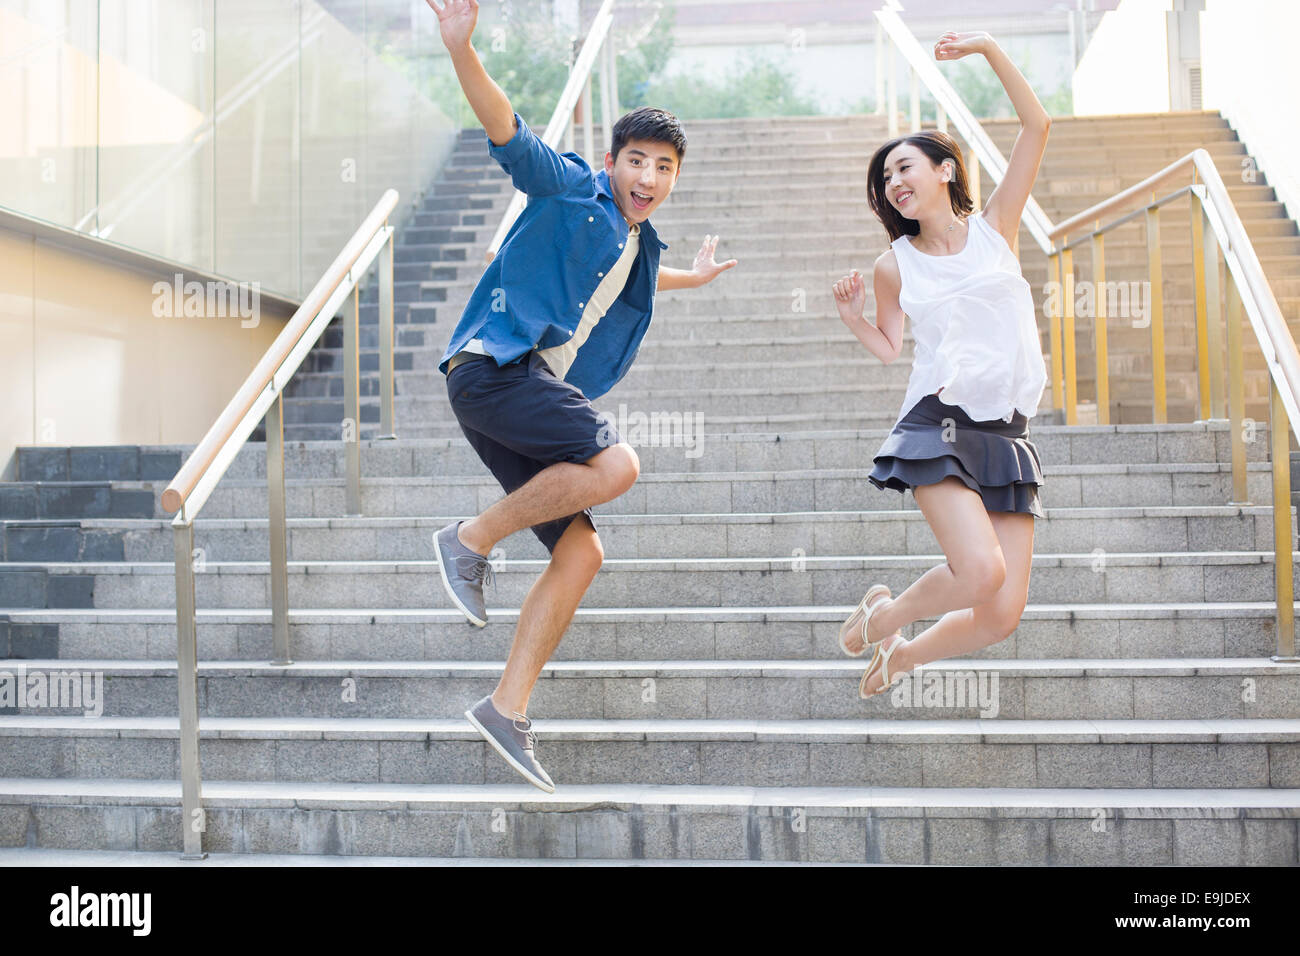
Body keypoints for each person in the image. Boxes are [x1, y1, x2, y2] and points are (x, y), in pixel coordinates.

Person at [425, 0, 738, 792]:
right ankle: (469, 540)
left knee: (583, 549)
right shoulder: (568, 186)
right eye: (637, 161)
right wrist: (464, 50)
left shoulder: (638, 239)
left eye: (665, 168)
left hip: (520, 389)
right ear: (612, 160)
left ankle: (506, 707)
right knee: (618, 462)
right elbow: (511, 135)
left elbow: (629, 270)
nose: (649, 178)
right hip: (495, 367)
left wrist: (691, 278)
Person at [830, 30, 1050, 699]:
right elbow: (893, 348)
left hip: (1005, 431)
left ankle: (900, 656)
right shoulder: (894, 265)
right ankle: (883, 617)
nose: (894, 182)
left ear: (945, 170)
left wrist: (988, 48)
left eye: (904, 167)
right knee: (980, 572)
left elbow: (1038, 125)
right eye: (886, 178)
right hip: (939, 425)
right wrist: (855, 319)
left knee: (1001, 613)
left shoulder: (995, 228)